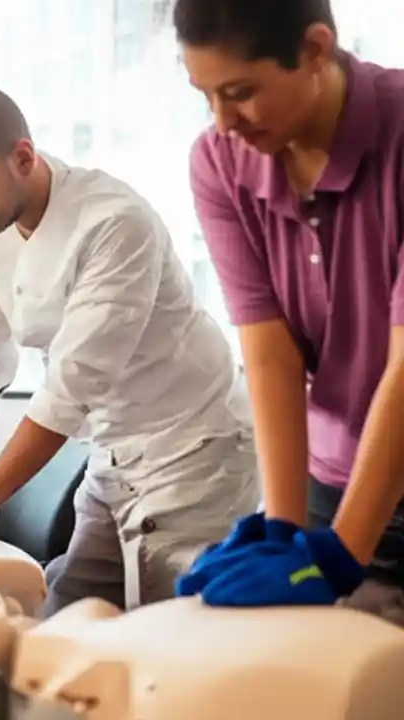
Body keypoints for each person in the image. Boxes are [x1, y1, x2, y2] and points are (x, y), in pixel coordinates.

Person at [0, 83, 260, 617]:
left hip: (191, 450)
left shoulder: (114, 223)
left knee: (166, 634)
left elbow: (71, 387)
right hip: (111, 451)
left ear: (22, 157)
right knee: (65, 616)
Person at [171, 0, 404, 624]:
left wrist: (342, 557)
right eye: (206, 96)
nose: (223, 122)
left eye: (240, 93)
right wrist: (284, 530)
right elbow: (270, 353)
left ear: (315, 50)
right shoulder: (219, 163)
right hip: (333, 474)